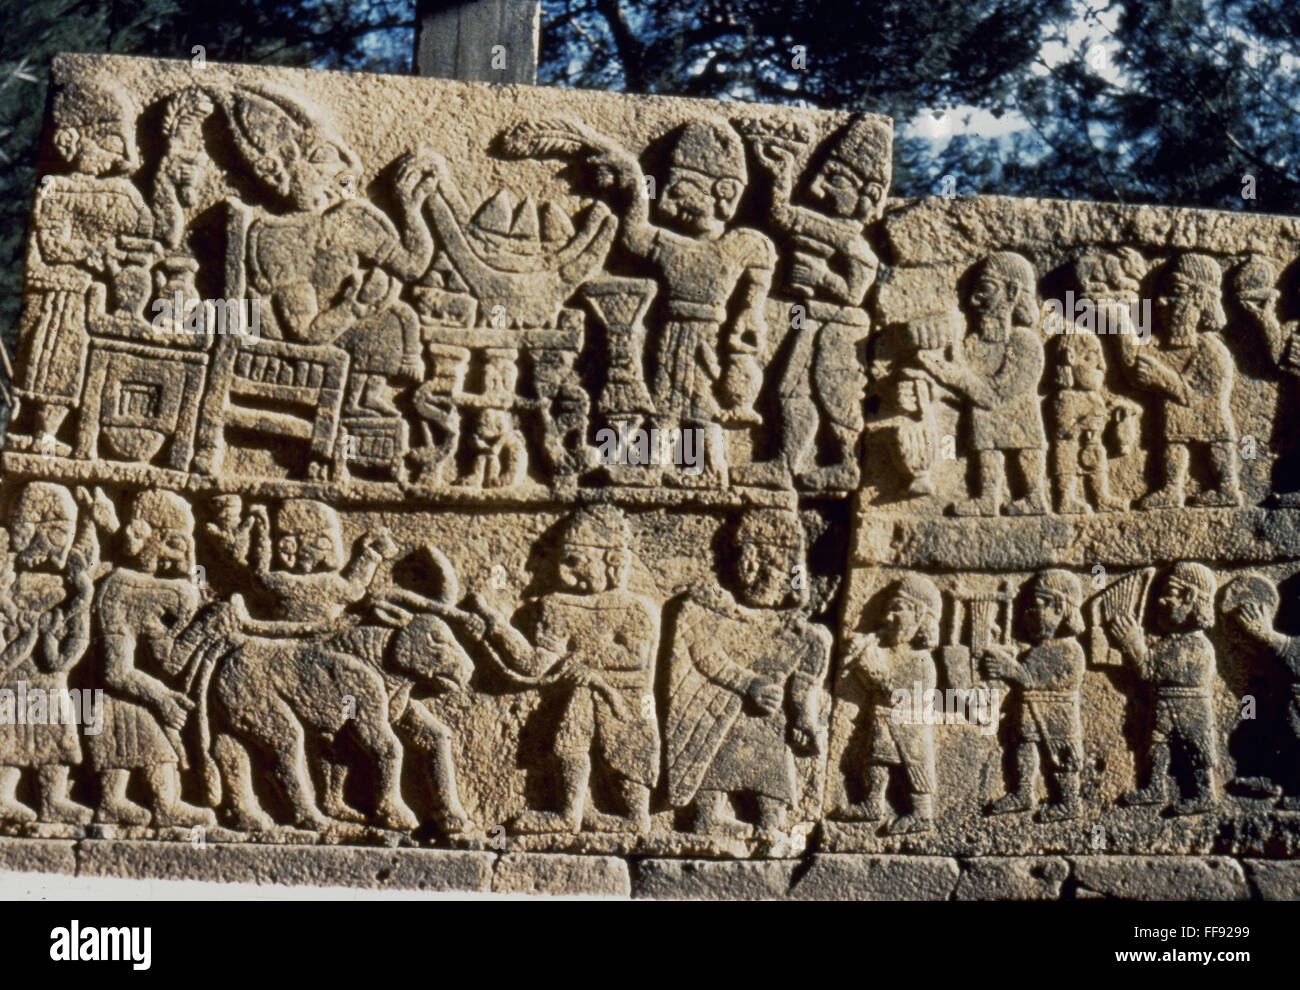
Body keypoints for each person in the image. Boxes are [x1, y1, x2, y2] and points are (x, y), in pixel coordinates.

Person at [472, 506, 660, 834]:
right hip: (582, 694)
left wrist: (584, 661)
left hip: (626, 698)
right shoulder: (557, 606)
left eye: (575, 560)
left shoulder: (636, 609)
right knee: (567, 745)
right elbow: (535, 663)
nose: (563, 572)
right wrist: (495, 625)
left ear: (612, 560)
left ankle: (635, 819)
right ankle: (571, 814)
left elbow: (634, 657)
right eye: (562, 559)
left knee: (629, 751)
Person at [662, 509, 829, 847]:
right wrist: (747, 683)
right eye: (749, 563)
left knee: (772, 772)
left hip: (771, 725)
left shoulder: (799, 631)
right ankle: (706, 818)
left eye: (773, 566)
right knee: (712, 765)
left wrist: (805, 720)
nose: (756, 575)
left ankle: (771, 822)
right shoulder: (707, 611)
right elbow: (704, 655)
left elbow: (803, 681)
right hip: (721, 715)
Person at [917, 252, 1049, 516]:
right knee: (986, 446)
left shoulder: (1024, 342)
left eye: (985, 289)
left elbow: (992, 396)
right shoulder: (973, 344)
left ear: (1012, 291)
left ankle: (1034, 497)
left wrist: (952, 375)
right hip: (984, 426)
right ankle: (987, 497)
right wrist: (935, 389)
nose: (973, 299)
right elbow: (965, 395)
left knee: (1022, 449)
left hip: (1020, 425)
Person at [1106, 562, 1220, 815]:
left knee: (1198, 752)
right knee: (1157, 746)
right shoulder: (1169, 642)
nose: (1160, 601)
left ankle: (1204, 794)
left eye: (1168, 592)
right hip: (1164, 705)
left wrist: (1133, 645)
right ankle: (1155, 788)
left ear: (1190, 598)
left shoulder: (1198, 646)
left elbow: (1149, 670)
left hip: (1191, 709)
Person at [831, 574, 940, 834]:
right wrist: (857, 656)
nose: (887, 617)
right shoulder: (886, 650)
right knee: (877, 761)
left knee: (915, 770)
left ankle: (922, 814)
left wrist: (871, 667)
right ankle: (873, 803)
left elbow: (895, 692)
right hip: (883, 719)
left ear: (918, 614)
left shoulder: (921, 661)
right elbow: (871, 682)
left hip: (909, 728)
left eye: (897, 608)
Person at [984, 570, 1086, 822]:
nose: (1026, 615)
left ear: (1060, 607)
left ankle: (1069, 801)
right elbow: (1026, 674)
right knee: (1024, 748)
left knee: (1062, 757)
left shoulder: (1069, 649)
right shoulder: (1040, 649)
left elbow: (1032, 678)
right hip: (1030, 710)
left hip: (1057, 714)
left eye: (1035, 606)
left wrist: (1010, 669)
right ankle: (1022, 793)